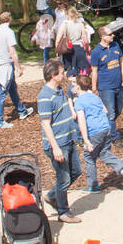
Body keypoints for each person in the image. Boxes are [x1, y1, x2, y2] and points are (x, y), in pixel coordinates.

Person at [37, 59, 82, 224]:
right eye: (62, 72)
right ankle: (63, 212)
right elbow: (46, 125)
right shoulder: (44, 97)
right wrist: (55, 147)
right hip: (57, 144)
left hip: (69, 139)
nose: (64, 75)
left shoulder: (59, 90)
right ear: (53, 76)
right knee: (63, 178)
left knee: (76, 171)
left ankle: (52, 196)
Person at [73, 73, 123, 193]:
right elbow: (105, 110)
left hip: (94, 132)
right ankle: (121, 168)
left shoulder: (79, 101)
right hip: (106, 128)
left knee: (89, 157)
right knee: (104, 153)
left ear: (78, 87)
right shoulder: (95, 97)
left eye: (74, 84)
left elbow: (82, 122)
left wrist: (86, 140)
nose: (72, 87)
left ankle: (93, 186)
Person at [0, 11, 30, 128]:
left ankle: (22, 111)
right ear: (9, 19)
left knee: (12, 88)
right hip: (5, 65)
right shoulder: (9, 32)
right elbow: (12, 51)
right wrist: (18, 67)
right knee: (2, 92)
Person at [89, 24, 123, 142]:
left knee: (118, 110)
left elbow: (121, 62)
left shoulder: (115, 46)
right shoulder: (96, 52)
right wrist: (94, 88)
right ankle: (114, 137)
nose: (113, 36)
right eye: (110, 34)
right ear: (103, 37)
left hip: (118, 84)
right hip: (105, 87)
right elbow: (94, 71)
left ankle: (106, 129)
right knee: (111, 113)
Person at [56, 5, 90, 77]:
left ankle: (72, 82)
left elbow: (58, 39)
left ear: (67, 14)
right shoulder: (80, 24)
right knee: (78, 69)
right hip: (79, 48)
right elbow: (86, 40)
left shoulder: (64, 24)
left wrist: (57, 50)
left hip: (68, 49)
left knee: (70, 69)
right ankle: (78, 82)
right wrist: (87, 49)